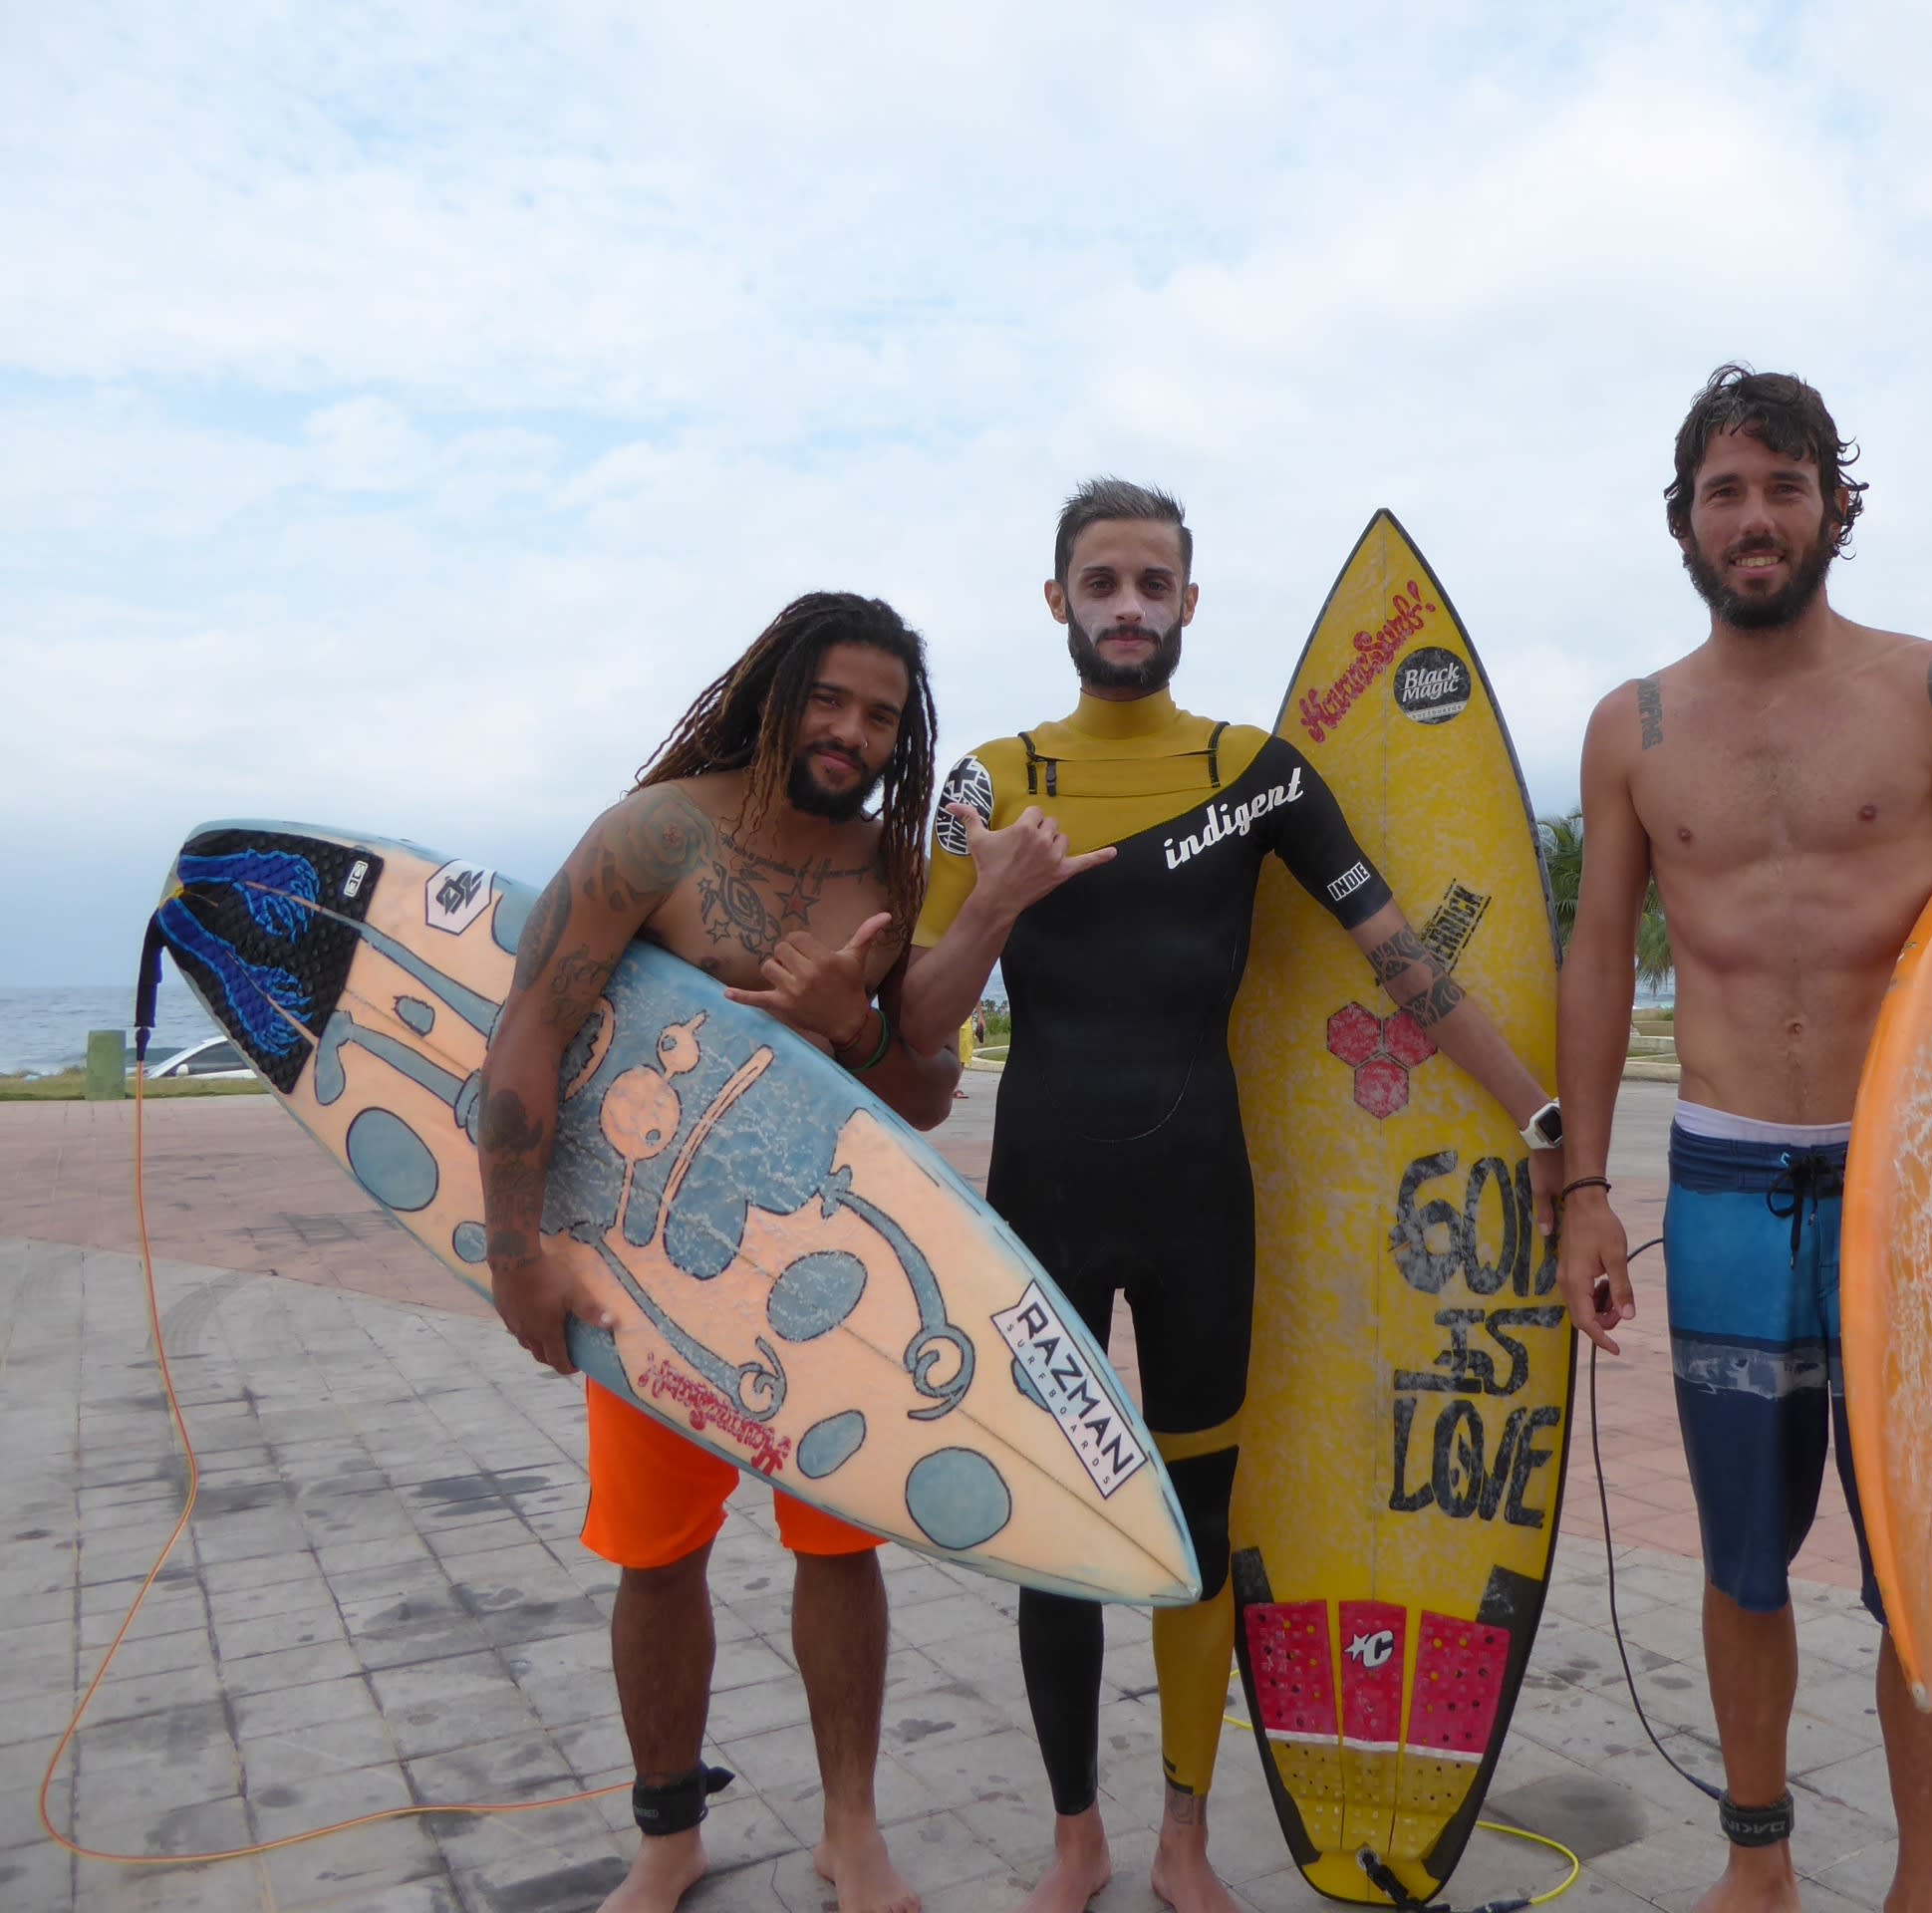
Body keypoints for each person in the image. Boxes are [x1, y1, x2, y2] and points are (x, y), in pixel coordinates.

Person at [895, 479, 1560, 1913]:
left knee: (1199, 1527)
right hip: (1047, 1193)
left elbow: (1402, 964)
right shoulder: (988, 784)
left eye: (1152, 584)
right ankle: (1077, 1835)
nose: (1126, 606)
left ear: (1189, 606)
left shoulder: (1257, 774)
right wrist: (997, 899)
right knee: (1061, 1527)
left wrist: (1542, 1117)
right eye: (1100, 581)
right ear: (1056, 598)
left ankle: (1183, 1833)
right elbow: (918, 1027)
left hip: (1201, 1193)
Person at [1554, 367, 1932, 1913]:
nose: (1756, 519)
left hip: (1921, 1194)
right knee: (1744, 1561)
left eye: (1784, 486)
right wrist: (1585, 1188)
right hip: (1730, 1178)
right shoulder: (1632, 727)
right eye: (1725, 492)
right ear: (1682, 521)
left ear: (1834, 509)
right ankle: (1764, 1865)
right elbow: (1598, 957)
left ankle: (1920, 1883)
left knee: (1918, 1564)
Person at [478, 593, 961, 1913]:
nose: (852, 731)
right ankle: (667, 1833)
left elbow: (927, 1096)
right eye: (832, 699)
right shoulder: (658, 834)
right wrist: (515, 1251)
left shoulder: (894, 873)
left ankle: (849, 1826)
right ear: (778, 687)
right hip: (644, 1259)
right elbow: (530, 1026)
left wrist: (850, 1026)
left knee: (839, 1546)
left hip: (827, 1265)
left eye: (880, 714)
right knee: (657, 1554)